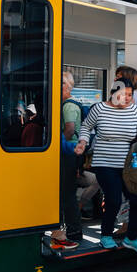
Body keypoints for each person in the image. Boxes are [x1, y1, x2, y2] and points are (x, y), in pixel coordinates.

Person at [75, 81, 137, 253]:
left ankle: (132, 237)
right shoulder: (100, 109)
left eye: (130, 95)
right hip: (105, 163)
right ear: (113, 94)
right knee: (114, 199)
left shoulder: (135, 110)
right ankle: (106, 236)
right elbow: (86, 126)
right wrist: (82, 142)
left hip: (129, 165)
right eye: (123, 95)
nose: (127, 99)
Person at [52, 72, 83, 250]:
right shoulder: (67, 104)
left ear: (67, 86)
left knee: (66, 194)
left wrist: (53, 148)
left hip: (67, 154)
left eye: (61, 84)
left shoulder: (68, 106)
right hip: (71, 154)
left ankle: (73, 231)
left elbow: (70, 130)